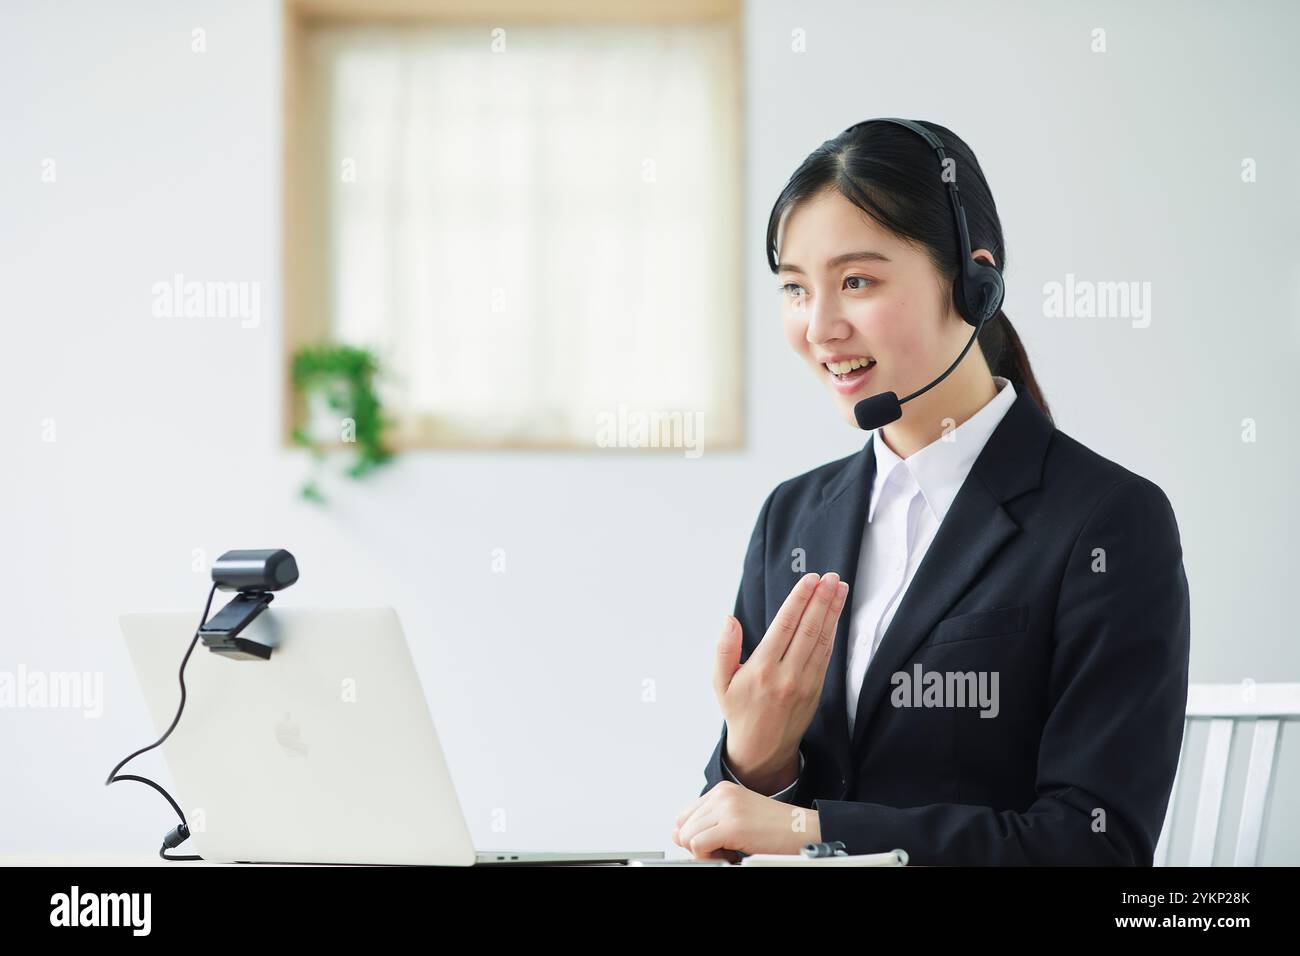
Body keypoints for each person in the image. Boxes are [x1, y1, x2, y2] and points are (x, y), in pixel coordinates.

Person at [671, 119, 1190, 865]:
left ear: (974, 282)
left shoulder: (1108, 522)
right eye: (794, 288)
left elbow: (1093, 845)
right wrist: (758, 763)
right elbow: (739, 827)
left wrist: (813, 831)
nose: (820, 327)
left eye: (857, 281)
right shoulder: (792, 517)